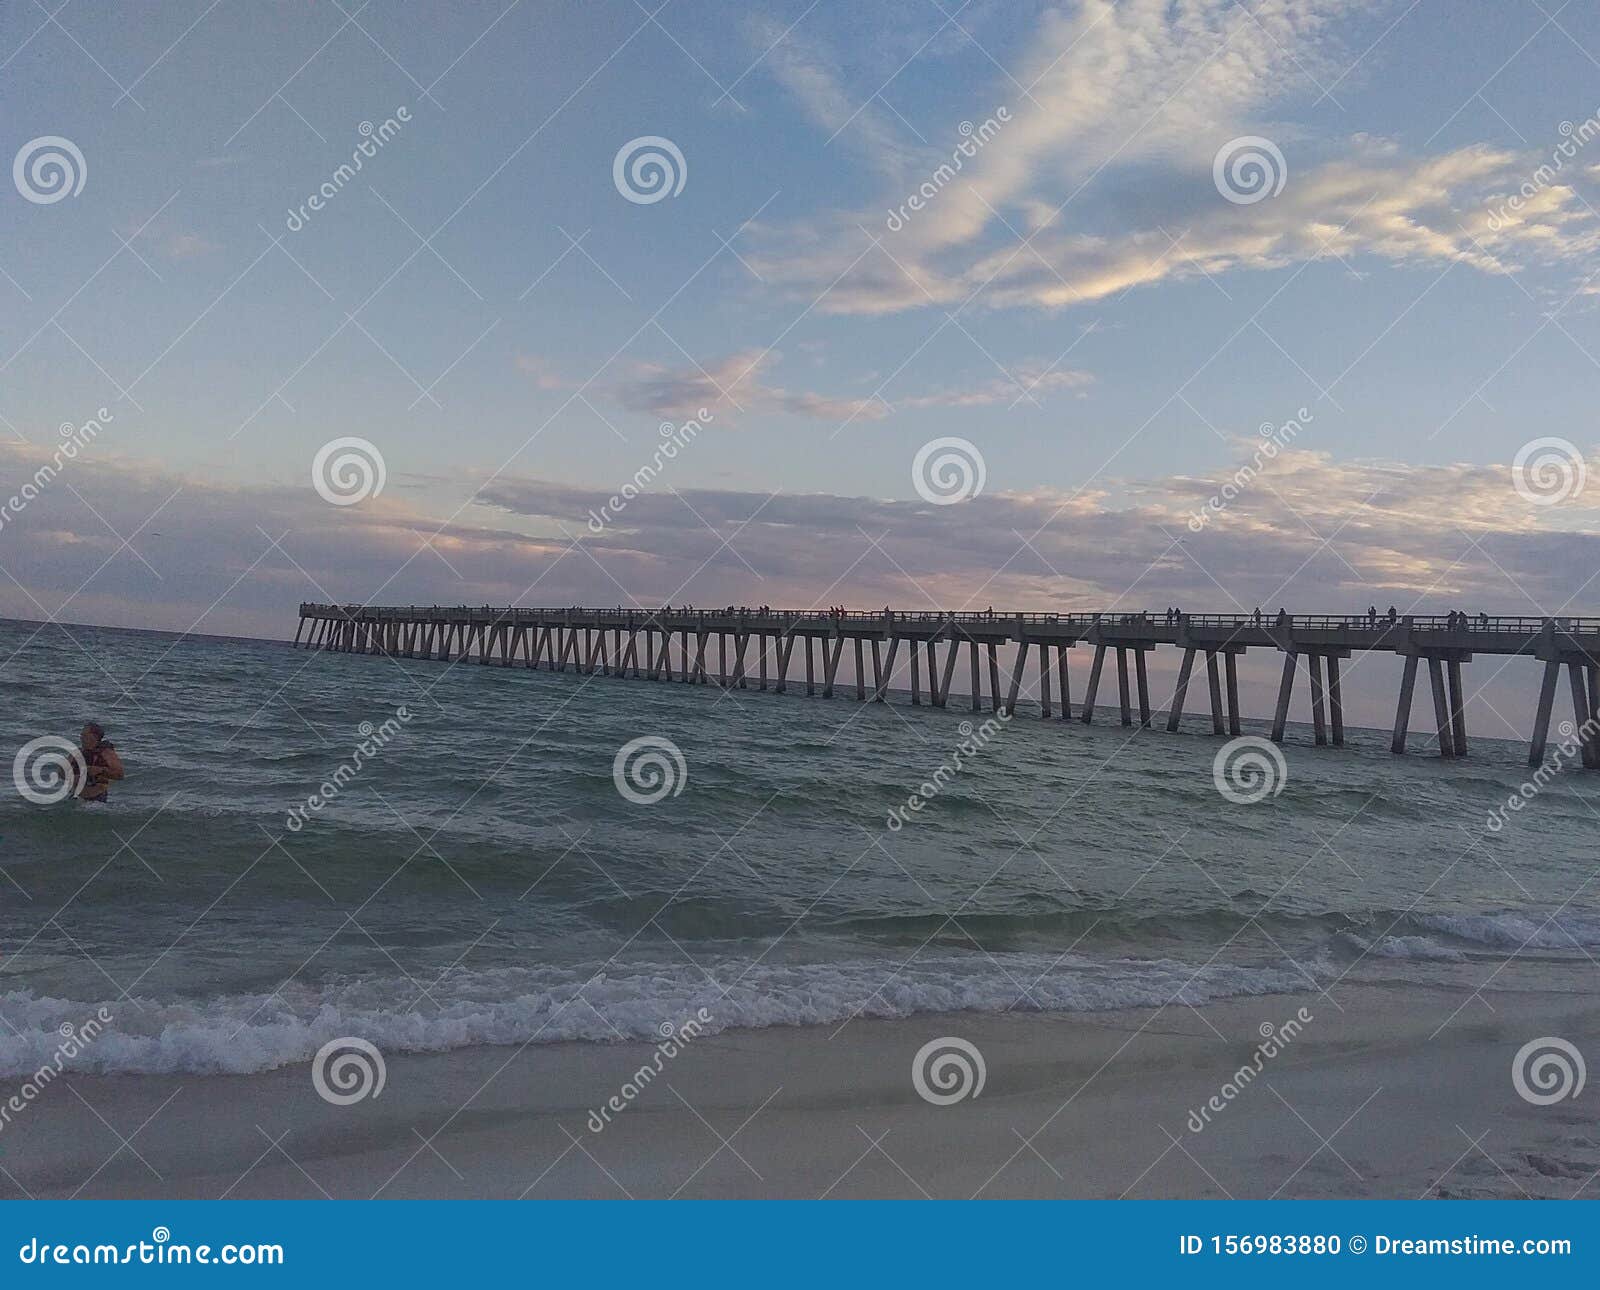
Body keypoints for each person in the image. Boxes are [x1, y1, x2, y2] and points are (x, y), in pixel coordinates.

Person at [76, 722, 123, 803]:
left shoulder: (106, 753)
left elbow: (120, 775)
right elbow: (61, 772)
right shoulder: (79, 752)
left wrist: (100, 770)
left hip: (97, 797)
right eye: (81, 735)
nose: (81, 738)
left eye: (84, 735)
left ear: (94, 737)